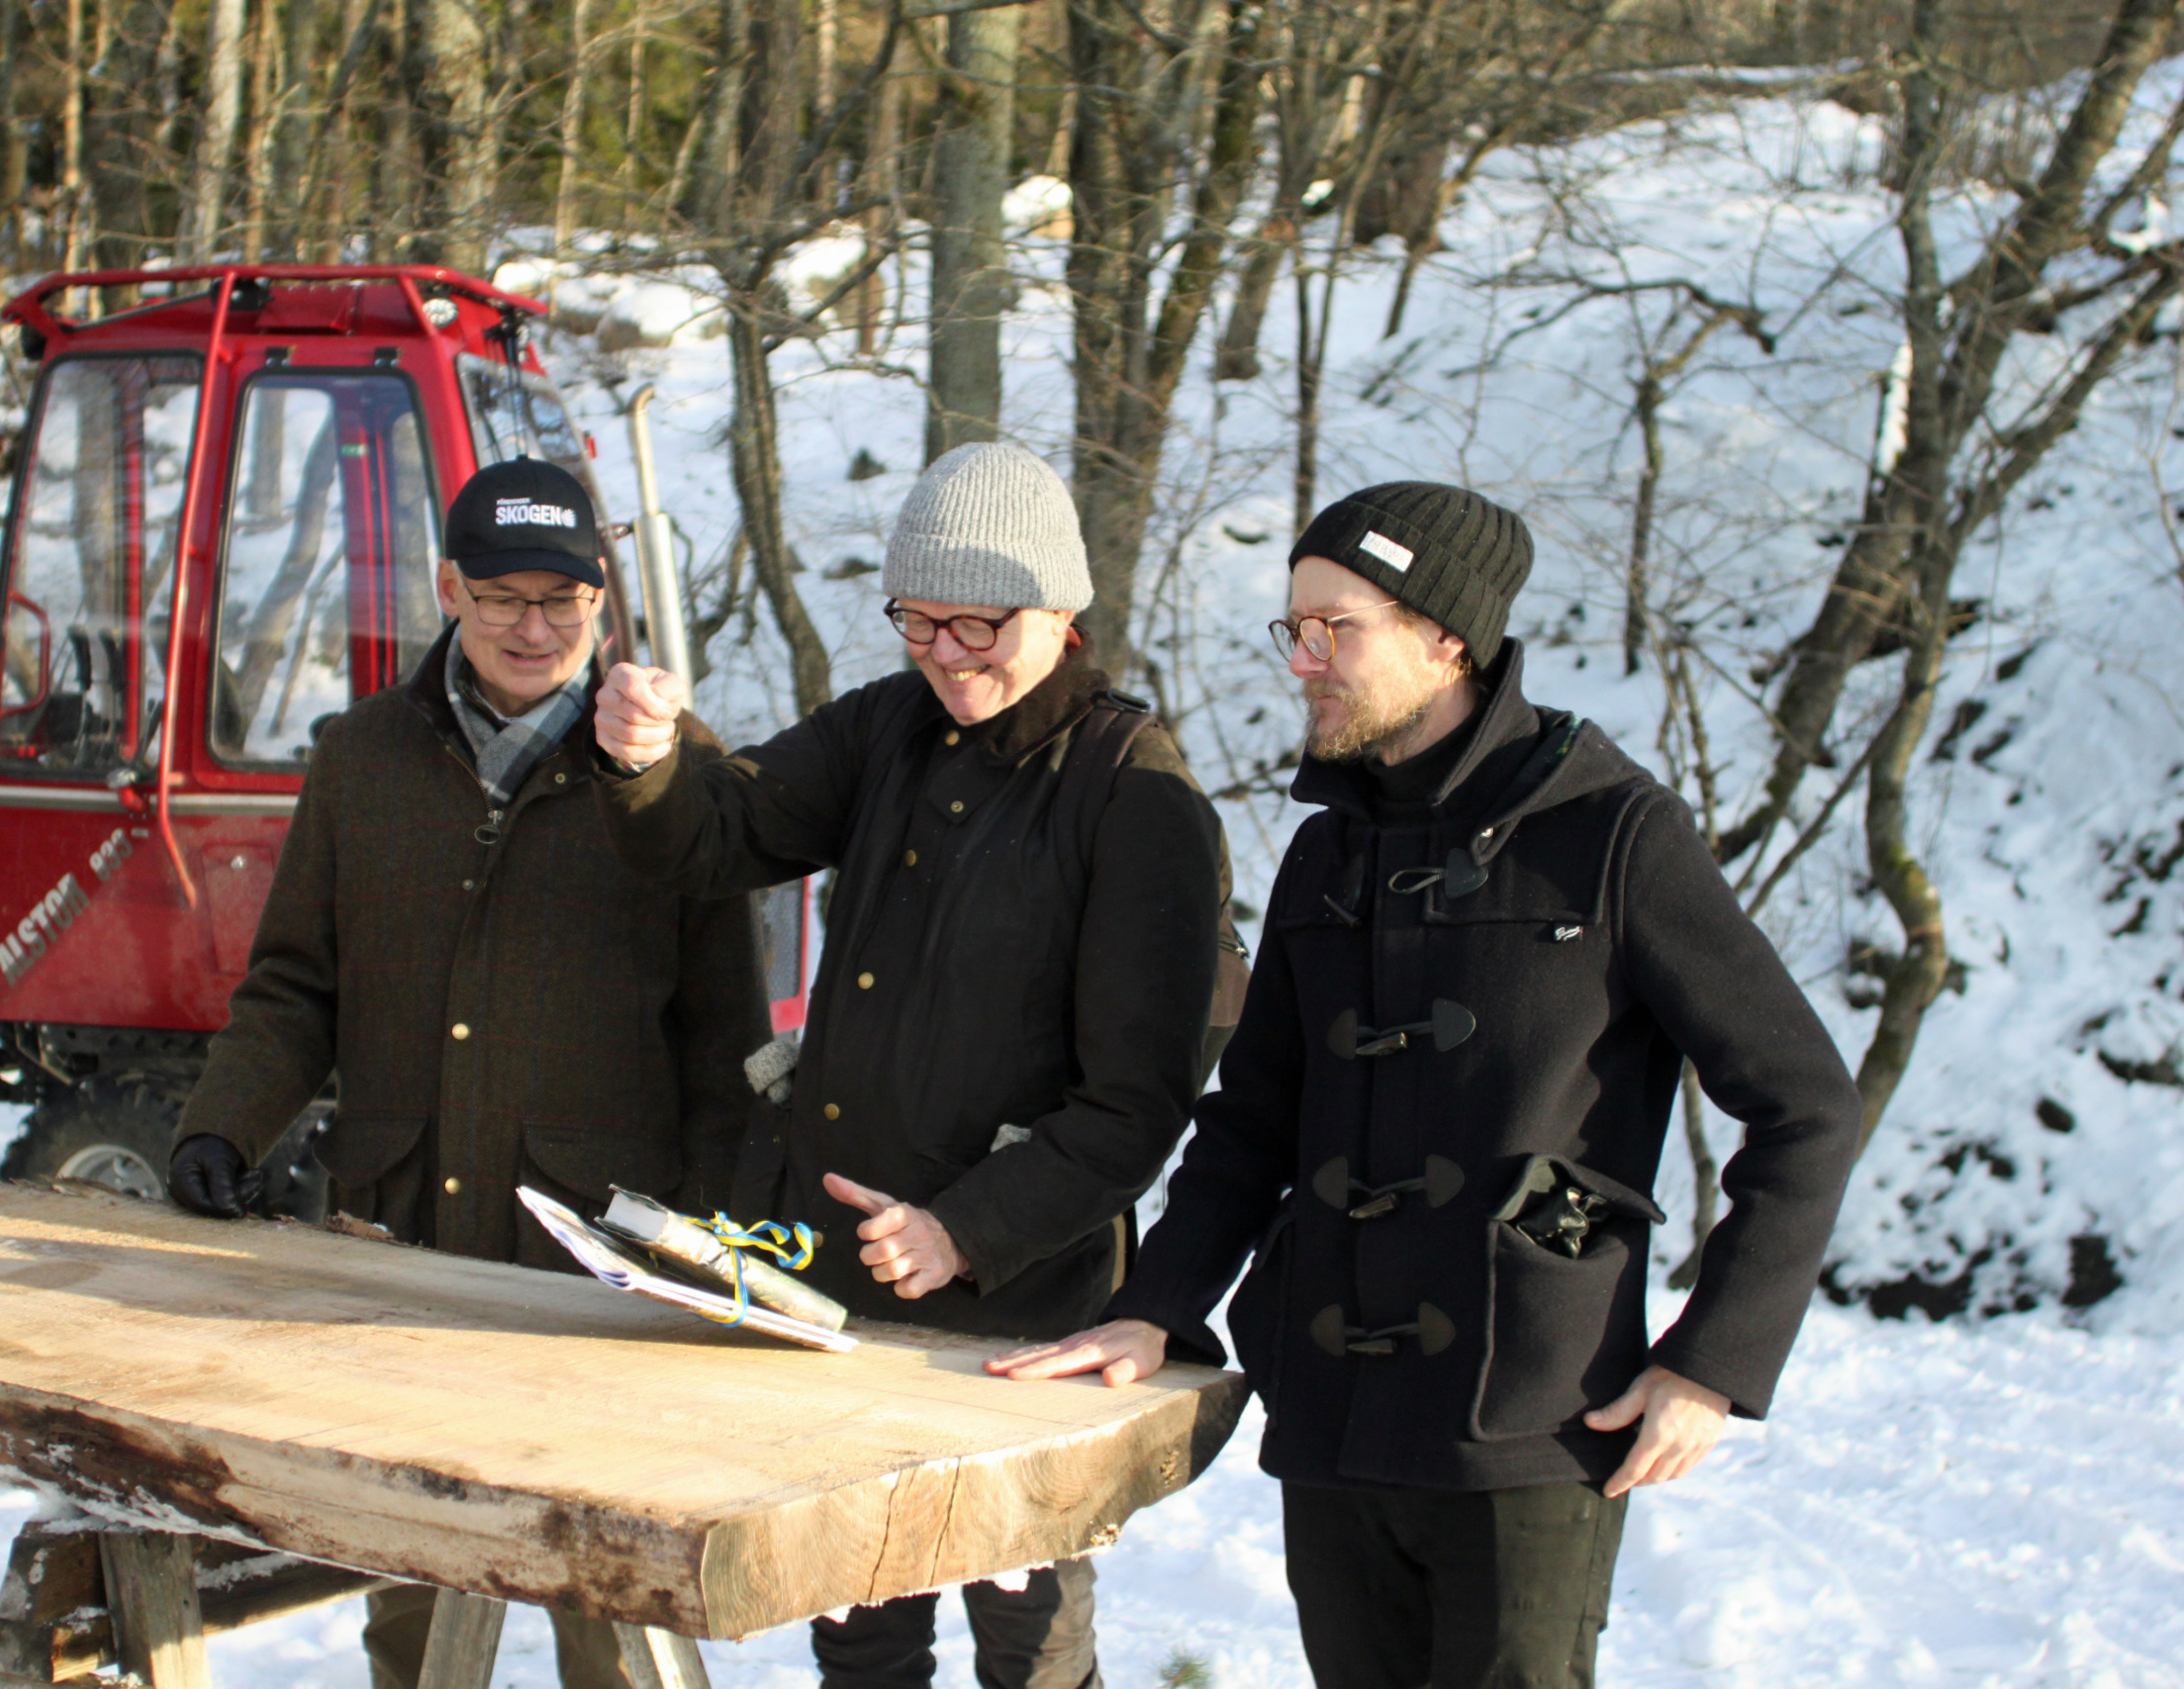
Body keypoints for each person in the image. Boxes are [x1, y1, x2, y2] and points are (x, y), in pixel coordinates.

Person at [991, 482, 1861, 1689]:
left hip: (1533, 1425)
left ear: (1446, 635)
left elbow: (1805, 1105)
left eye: (1332, 627)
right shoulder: (1326, 851)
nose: (1303, 661)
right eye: (1292, 628)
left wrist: (1713, 1361)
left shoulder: (1612, 835)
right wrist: (1160, 1303)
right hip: (1331, 1418)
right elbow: (1251, 1123)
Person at [590, 440, 1226, 1689]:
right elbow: (723, 833)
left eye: (977, 624)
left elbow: (1137, 1104)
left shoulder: (1132, 794)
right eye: (916, 621)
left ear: (1061, 613)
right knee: (862, 1619)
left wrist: (966, 1230)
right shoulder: (891, 725)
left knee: (1027, 1632)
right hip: (845, 1284)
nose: (945, 654)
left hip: (1024, 1313)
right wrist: (644, 761)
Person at [164, 455, 769, 1689]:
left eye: (562, 601)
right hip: (398, 1237)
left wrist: (713, 1243)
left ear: (602, 604)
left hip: (597, 1268)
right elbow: (295, 987)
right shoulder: (361, 758)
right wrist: (222, 1127)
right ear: (448, 587)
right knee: (412, 1587)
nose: (533, 629)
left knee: (610, 1597)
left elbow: (721, 1041)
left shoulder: (673, 767)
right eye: (501, 599)